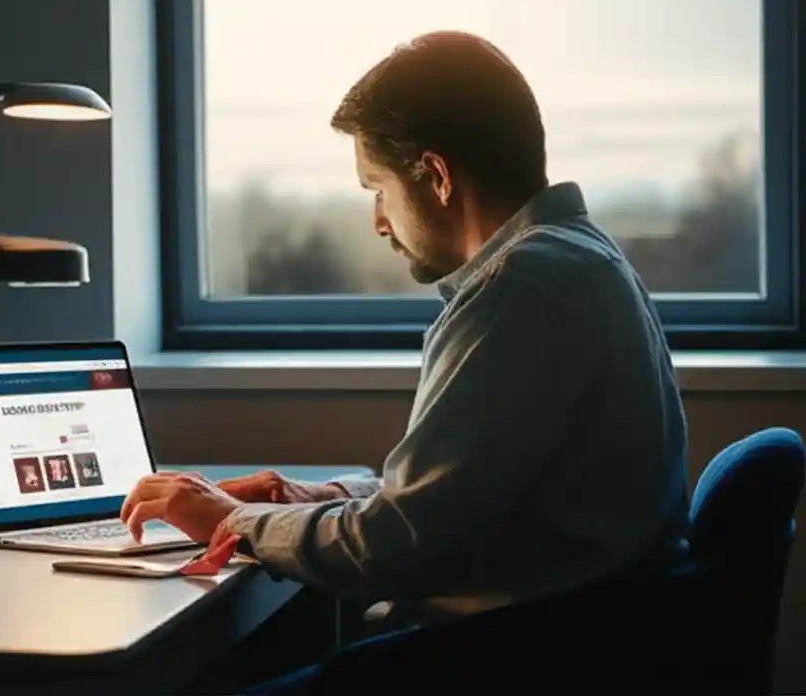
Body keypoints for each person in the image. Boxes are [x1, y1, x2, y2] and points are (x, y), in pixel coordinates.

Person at [121, 31, 690, 631]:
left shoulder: (516, 291)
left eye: (378, 190)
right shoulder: (579, 258)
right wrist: (324, 497)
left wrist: (229, 520)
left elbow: (397, 549)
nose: (378, 222)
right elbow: (455, 502)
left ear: (436, 176)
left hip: (515, 660)